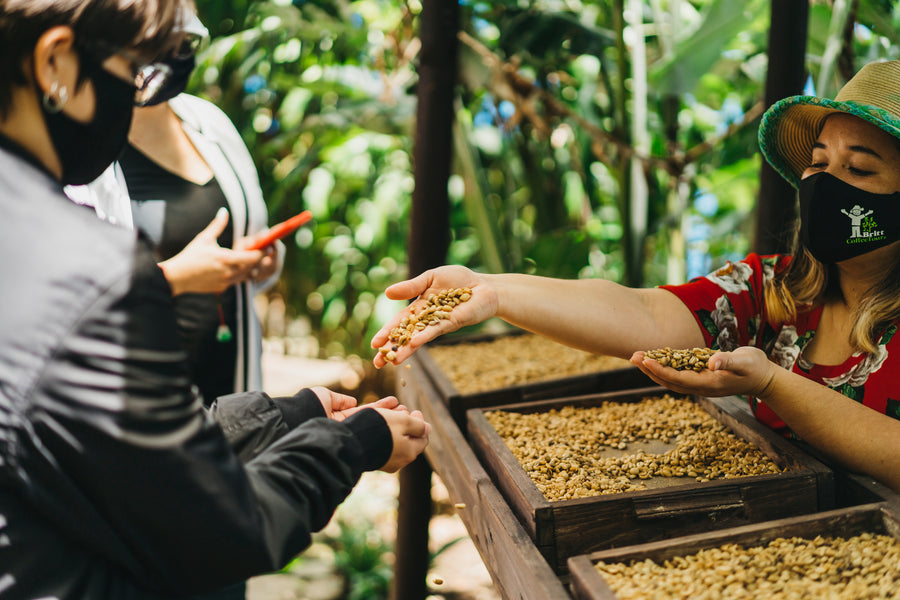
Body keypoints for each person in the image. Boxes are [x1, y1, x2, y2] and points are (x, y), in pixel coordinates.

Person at [0, 2, 429, 598]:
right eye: (133, 72)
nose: (137, 97)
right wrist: (355, 444)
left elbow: (105, 446)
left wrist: (290, 415)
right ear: (54, 62)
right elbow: (220, 528)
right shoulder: (84, 268)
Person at [371, 60, 900, 494]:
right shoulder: (774, 291)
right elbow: (646, 312)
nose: (827, 185)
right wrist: (495, 292)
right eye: (818, 163)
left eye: (859, 170)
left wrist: (770, 383)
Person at [67, 12, 280, 404]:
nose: (171, 51)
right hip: (139, 400)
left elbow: (251, 228)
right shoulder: (80, 152)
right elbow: (70, 301)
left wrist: (262, 261)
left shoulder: (210, 123)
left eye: (183, 40)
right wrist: (177, 277)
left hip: (229, 384)